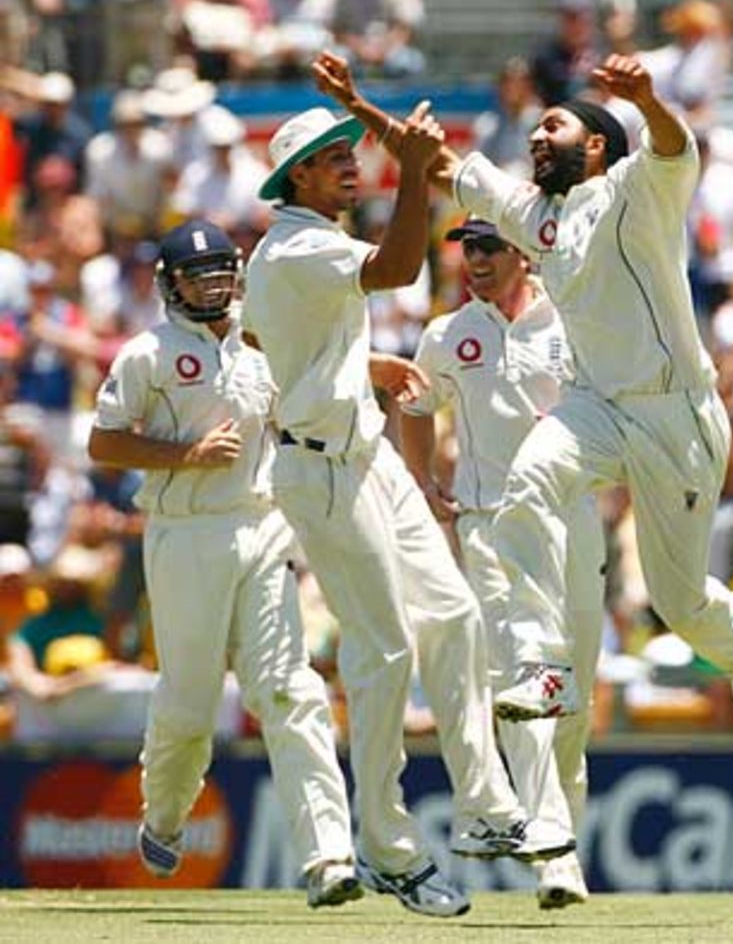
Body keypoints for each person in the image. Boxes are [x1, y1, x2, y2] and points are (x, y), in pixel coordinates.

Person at [241, 53, 570, 918]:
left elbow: (268, 338)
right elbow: (395, 271)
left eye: (351, 152)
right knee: (384, 652)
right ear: (297, 178)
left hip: (366, 448)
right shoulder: (299, 245)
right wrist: (418, 169)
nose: (351, 165)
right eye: (333, 159)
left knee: (454, 615)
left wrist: (355, 367)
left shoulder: (295, 250)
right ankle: (387, 845)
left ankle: (486, 804)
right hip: (320, 470)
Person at [397, 53, 733, 721]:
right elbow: (447, 169)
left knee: (680, 603)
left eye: (553, 126)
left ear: (596, 144)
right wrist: (367, 112)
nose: (536, 136)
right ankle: (545, 666)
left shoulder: (640, 188)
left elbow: (672, 145)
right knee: (526, 485)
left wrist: (648, 99)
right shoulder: (538, 216)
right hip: (595, 406)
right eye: (536, 128)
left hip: (673, 411)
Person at [86, 219, 361, 908]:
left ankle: (329, 855)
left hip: (263, 524)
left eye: (220, 272)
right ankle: (165, 815)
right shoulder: (147, 354)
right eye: (197, 274)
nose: (212, 285)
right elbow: (104, 444)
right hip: (186, 535)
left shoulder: (261, 346)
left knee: (289, 689)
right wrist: (186, 456)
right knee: (190, 701)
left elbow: (317, 383)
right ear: (169, 284)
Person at [396, 218, 601, 909]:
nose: (476, 260)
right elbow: (416, 402)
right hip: (490, 524)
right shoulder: (448, 334)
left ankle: (560, 836)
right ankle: (554, 854)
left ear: (523, 252)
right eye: (468, 249)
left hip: (571, 518)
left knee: (571, 697)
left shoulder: (572, 319)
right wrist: (423, 481)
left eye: (489, 247)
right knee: (521, 680)